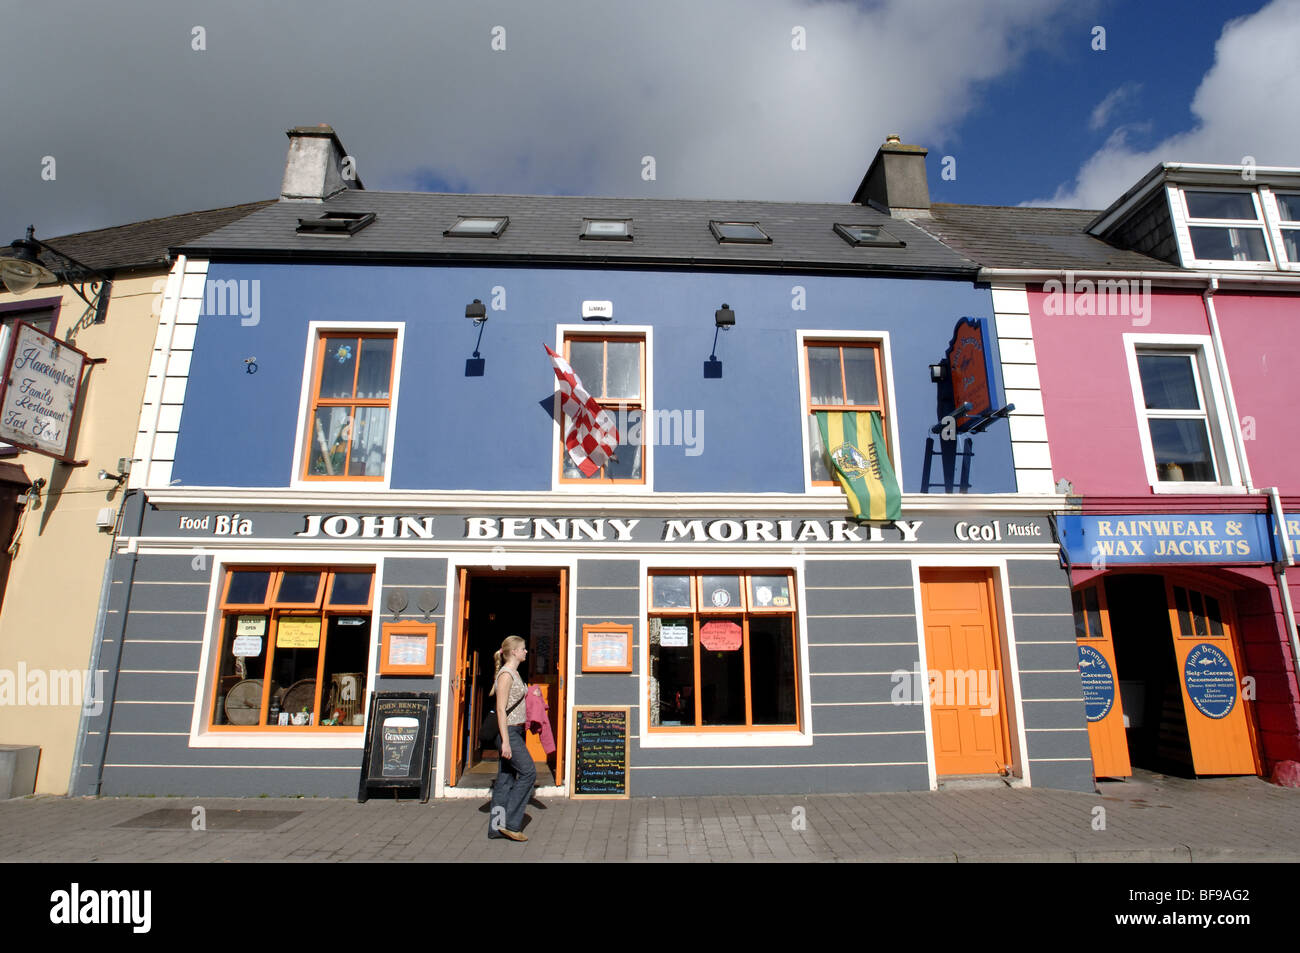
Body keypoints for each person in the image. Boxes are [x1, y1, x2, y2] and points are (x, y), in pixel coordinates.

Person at [488, 635, 535, 842]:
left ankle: (496, 827)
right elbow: (500, 709)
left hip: (515, 731)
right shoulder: (506, 674)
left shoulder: (514, 673)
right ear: (514, 651)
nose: (526, 652)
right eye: (523, 649)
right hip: (508, 732)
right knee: (528, 772)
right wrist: (506, 741)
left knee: (506, 779)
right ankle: (511, 824)